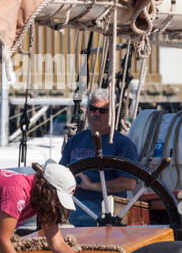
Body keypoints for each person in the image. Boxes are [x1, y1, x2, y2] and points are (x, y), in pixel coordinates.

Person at [60, 89, 140, 226]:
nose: (96, 113)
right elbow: (60, 173)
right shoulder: (75, 140)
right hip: (73, 220)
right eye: (93, 108)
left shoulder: (123, 145)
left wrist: (92, 186)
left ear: (112, 114)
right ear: (86, 110)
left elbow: (129, 183)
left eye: (102, 110)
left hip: (108, 220)